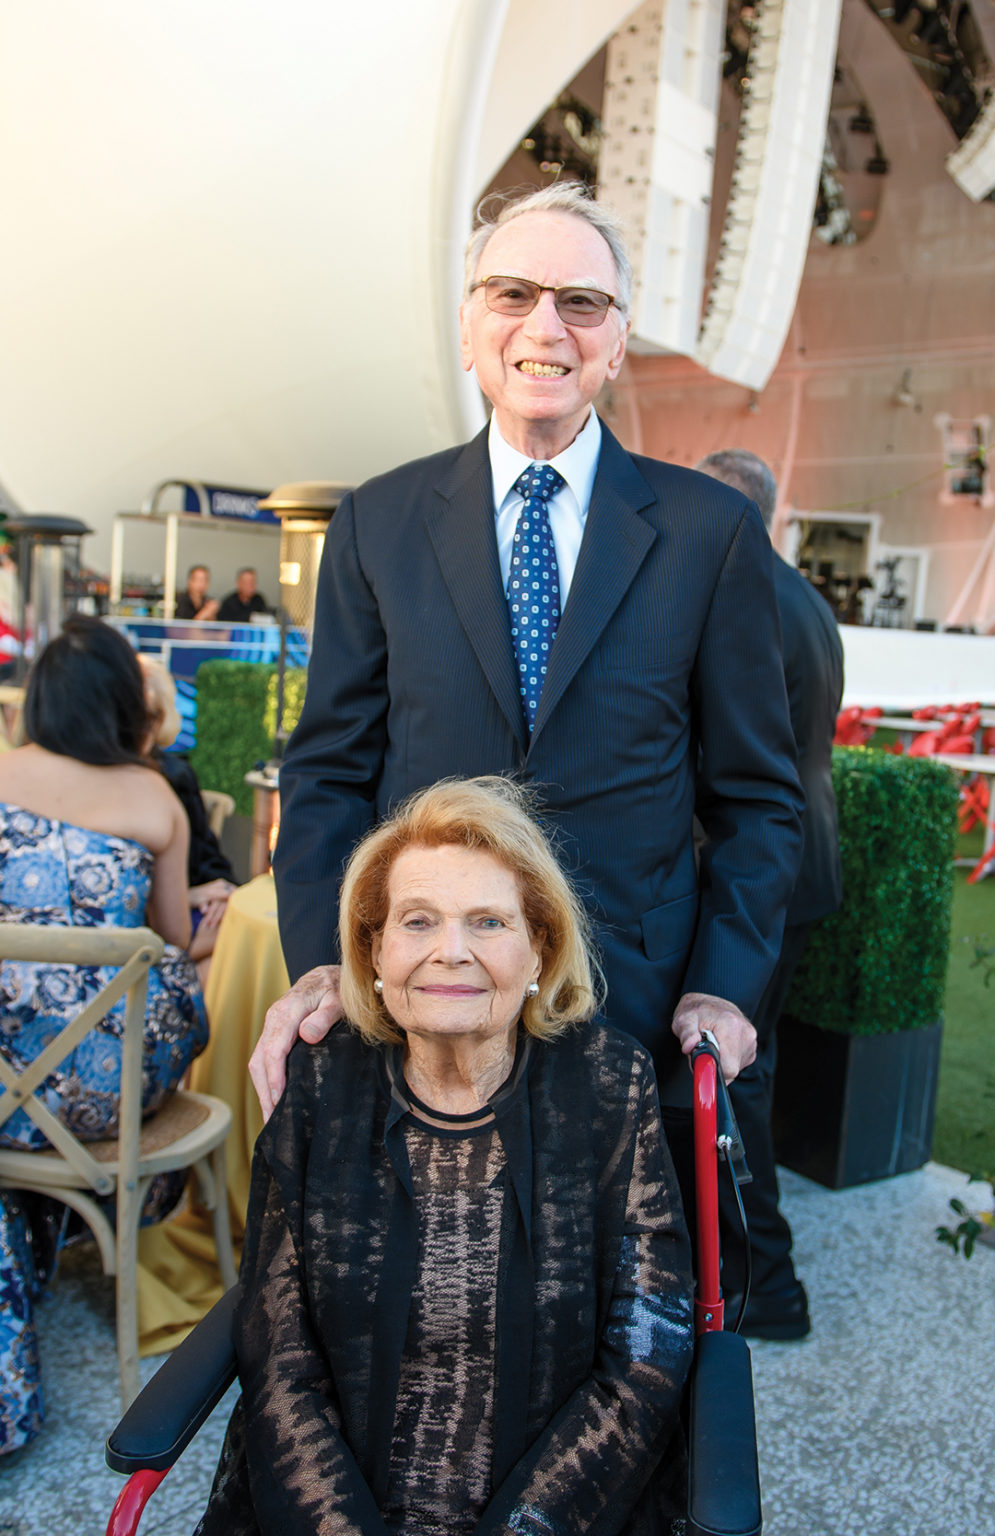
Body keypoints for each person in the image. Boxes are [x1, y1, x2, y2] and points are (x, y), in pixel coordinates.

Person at [257, 182, 804, 1167]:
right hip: (424, 1002)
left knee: (609, 1311)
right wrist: (318, 966)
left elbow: (759, 799)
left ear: (616, 340)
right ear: (468, 329)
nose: (543, 325)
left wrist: (721, 985)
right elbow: (329, 773)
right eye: (510, 295)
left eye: (579, 302)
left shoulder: (707, 535)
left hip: (631, 1010)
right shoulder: (377, 524)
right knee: (424, 1304)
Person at [197, 776, 694, 1535]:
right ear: (373, 951)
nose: (449, 952)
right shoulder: (322, 1084)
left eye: (488, 922)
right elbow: (280, 1358)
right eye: (417, 921)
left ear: (540, 948)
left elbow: (645, 1356)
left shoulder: (607, 1084)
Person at [0, 615, 208, 1455]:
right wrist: (212, 916)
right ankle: (100, 1215)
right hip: (98, 1105)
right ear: (126, 702)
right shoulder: (152, 797)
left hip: (2, 1081)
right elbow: (170, 937)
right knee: (175, 991)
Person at [696, 449, 844, 1338]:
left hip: (760, 875)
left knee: (732, 1081)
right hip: (803, 871)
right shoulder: (804, 597)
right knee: (751, 1074)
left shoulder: (743, 594)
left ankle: (766, 1289)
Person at [139, 655, 238, 985]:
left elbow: (208, 858)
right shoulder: (117, 782)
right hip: (146, 931)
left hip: (173, 921)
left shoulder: (175, 775)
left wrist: (219, 893)